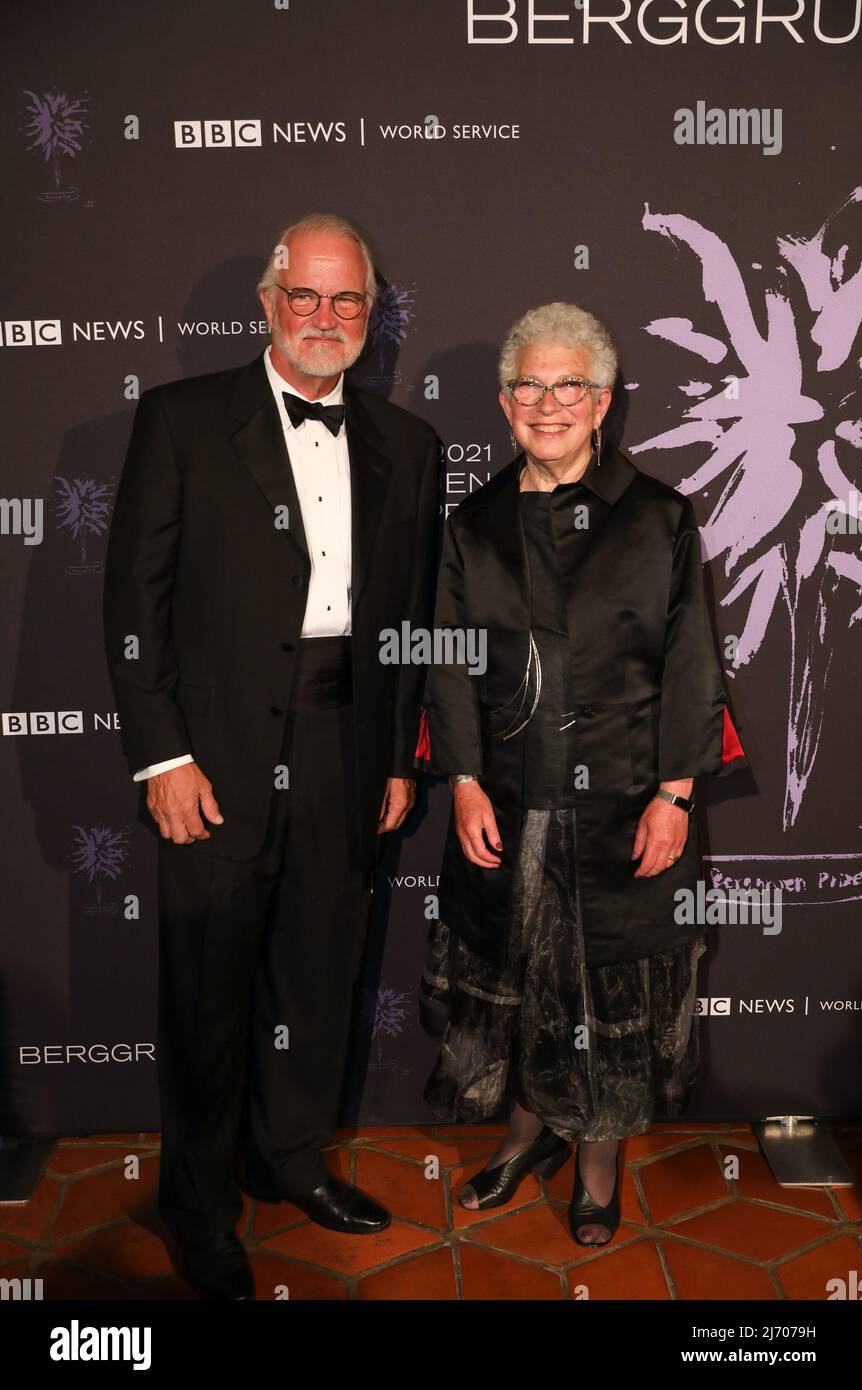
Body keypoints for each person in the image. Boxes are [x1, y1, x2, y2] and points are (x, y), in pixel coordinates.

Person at [103, 212, 438, 1298]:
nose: (326, 318)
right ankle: (197, 1205)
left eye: (349, 301)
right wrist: (163, 760)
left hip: (347, 746)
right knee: (206, 994)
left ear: (370, 316)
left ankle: (287, 1160)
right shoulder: (182, 422)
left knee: (317, 969)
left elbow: (405, 621)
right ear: (268, 301)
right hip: (217, 754)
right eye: (308, 296)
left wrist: (395, 754)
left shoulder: (407, 444)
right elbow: (132, 605)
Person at [418, 302, 748, 1246]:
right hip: (512, 803)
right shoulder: (474, 524)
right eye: (529, 384)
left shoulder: (657, 519)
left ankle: (597, 1157)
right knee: (520, 979)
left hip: (625, 808)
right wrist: (468, 781)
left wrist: (678, 794)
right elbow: (446, 661)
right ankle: (527, 1134)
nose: (547, 403)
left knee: (609, 991)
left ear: (602, 401)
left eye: (569, 386)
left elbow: (693, 666)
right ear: (504, 400)